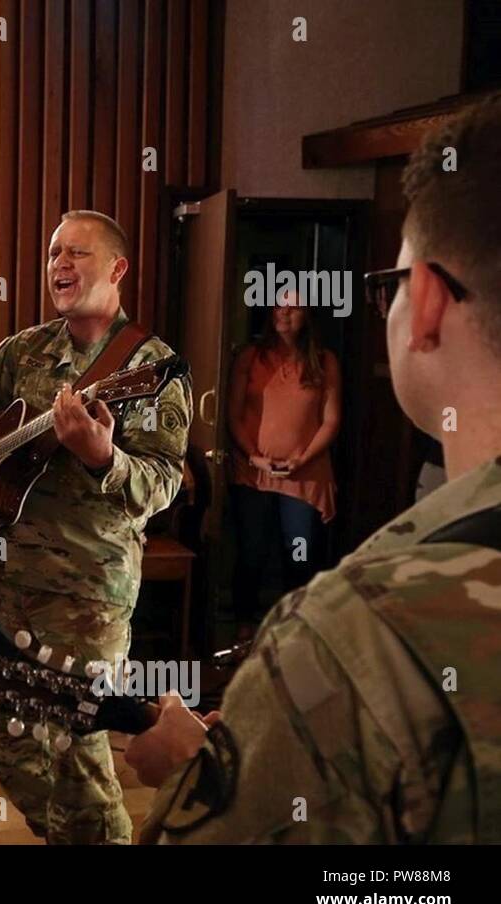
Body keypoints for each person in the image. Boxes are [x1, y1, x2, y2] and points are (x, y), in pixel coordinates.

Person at [125, 92, 501, 844]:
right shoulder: (249, 359)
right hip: (258, 476)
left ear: (424, 301)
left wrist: (210, 770)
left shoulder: (355, 637)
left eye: (388, 286)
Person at [0, 210, 191, 844]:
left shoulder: (150, 365)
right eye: (52, 254)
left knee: (76, 753)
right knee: (12, 744)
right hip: (9, 577)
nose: (59, 266)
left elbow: (162, 483)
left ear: (117, 268)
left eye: (76, 254)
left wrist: (104, 456)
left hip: (90, 589)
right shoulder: (24, 350)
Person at [227, 294, 340, 636]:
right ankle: (244, 629)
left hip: (302, 476)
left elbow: (331, 421)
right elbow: (232, 415)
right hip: (254, 473)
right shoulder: (250, 356)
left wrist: (302, 459)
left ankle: (293, 632)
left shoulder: (324, 360)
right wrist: (253, 456)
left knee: (299, 556)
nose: (283, 312)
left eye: (293, 306)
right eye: (278, 304)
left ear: (308, 314)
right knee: (251, 553)